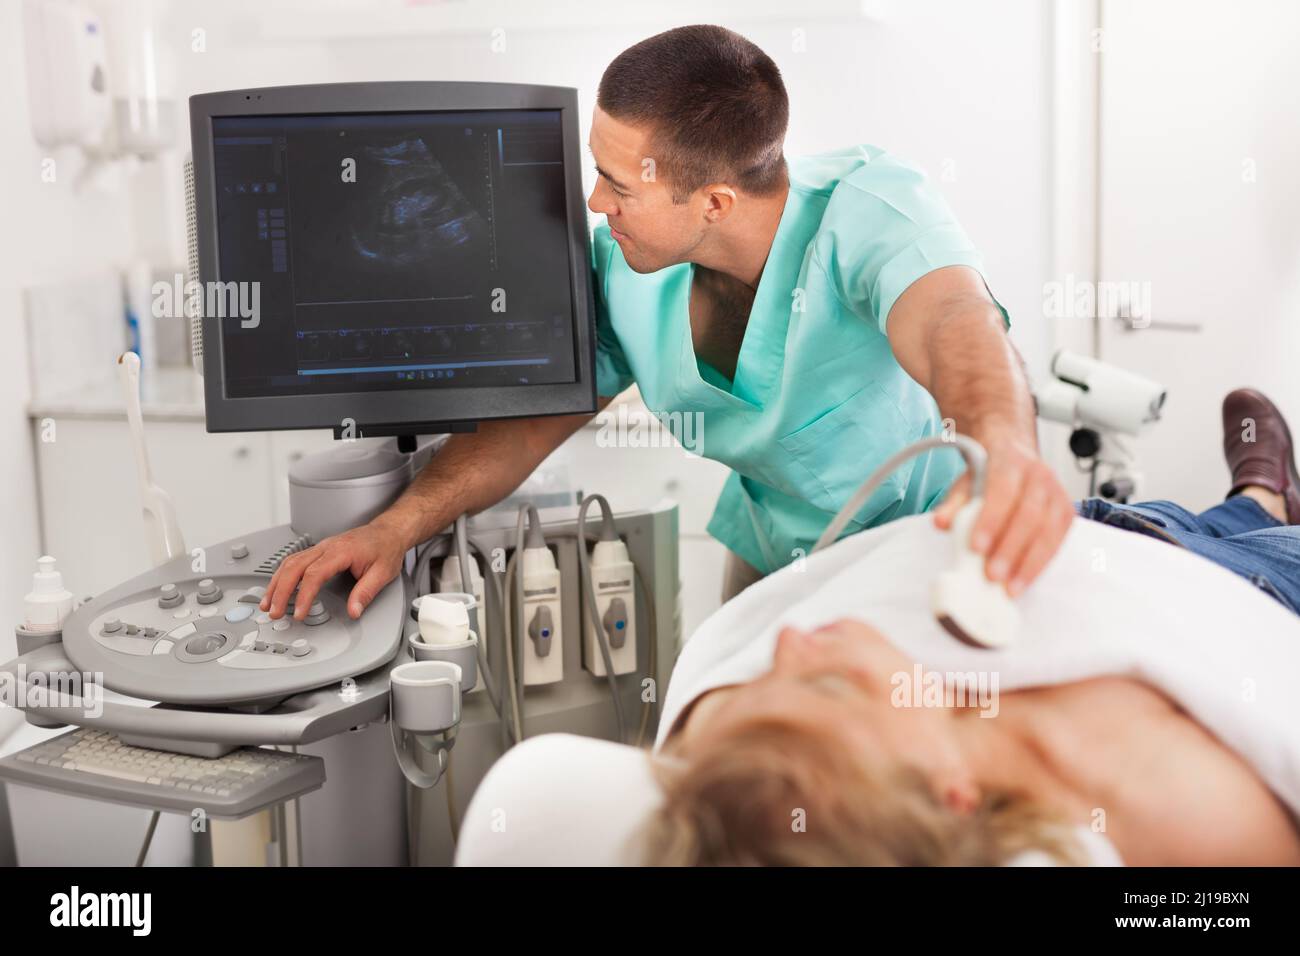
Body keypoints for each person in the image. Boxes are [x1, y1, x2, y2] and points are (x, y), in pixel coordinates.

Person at [261, 24, 1071, 623]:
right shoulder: (626, 265)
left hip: (921, 543)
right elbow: (533, 422)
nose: (594, 203)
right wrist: (394, 530)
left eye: (618, 183)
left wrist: (1002, 447)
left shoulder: (869, 213)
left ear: (714, 201)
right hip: (768, 544)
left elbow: (956, 324)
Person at [642, 390, 1300, 866]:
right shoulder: (1186, 809)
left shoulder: (737, 751)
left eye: (767, 676)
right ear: (949, 790)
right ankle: (1267, 506)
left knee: (1220, 515)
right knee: (1265, 541)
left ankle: (1256, 497)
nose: (787, 643)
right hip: (1249, 592)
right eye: (828, 684)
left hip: (1090, 528)